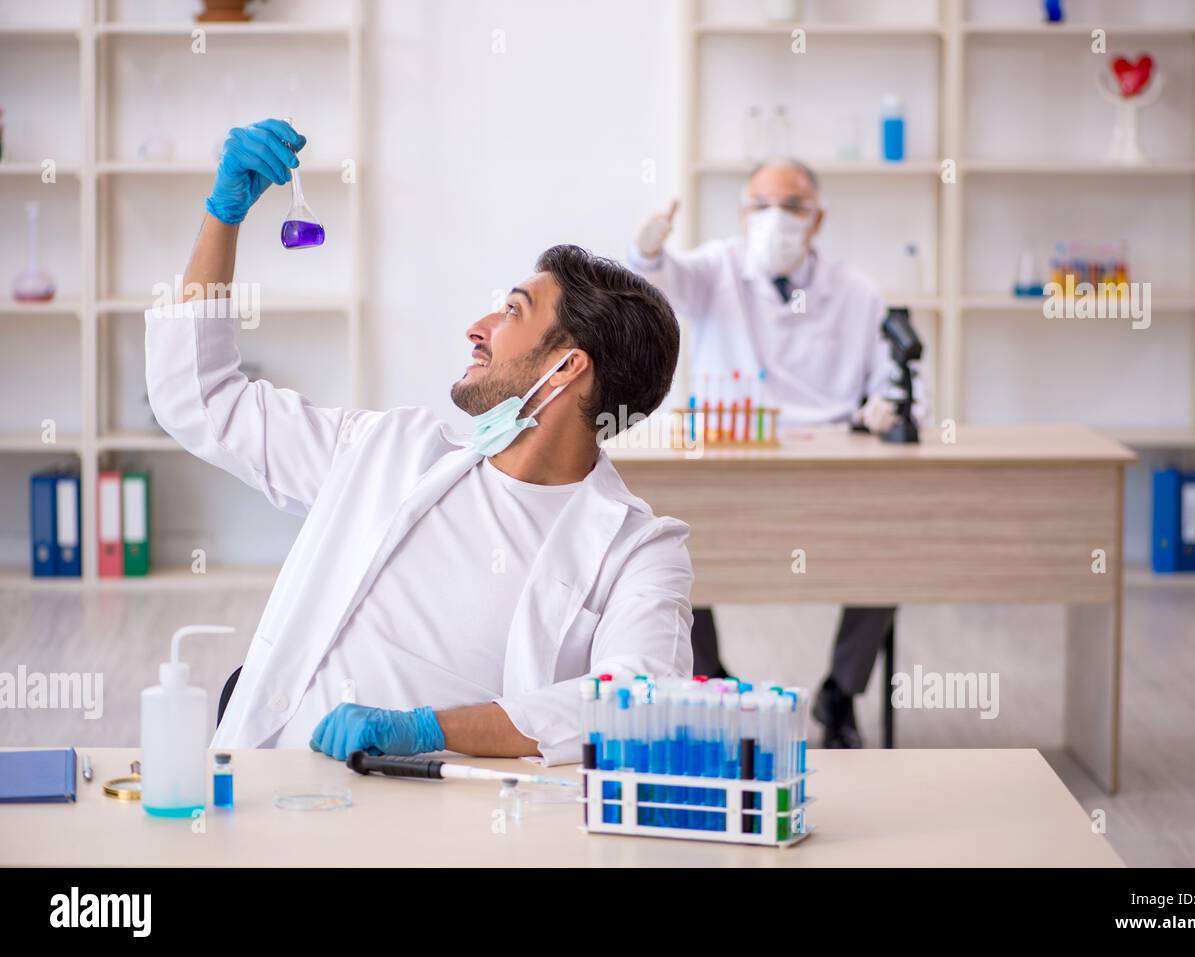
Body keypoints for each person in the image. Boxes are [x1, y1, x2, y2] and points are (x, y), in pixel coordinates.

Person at [148, 119, 692, 765]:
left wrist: (432, 730)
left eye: (512, 311)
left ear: (568, 366)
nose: (478, 327)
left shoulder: (638, 551)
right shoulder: (386, 451)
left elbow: (641, 702)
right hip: (261, 786)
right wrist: (222, 218)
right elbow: (201, 398)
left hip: (431, 825)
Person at [626, 158, 926, 748]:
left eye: (792, 206)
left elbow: (898, 379)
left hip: (831, 465)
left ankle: (840, 695)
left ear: (818, 220)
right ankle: (714, 682)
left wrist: (885, 408)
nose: (776, 219)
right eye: (762, 204)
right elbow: (655, 288)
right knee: (677, 545)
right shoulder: (717, 268)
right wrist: (647, 255)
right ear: (743, 213)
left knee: (889, 549)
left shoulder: (856, 291)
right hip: (733, 456)